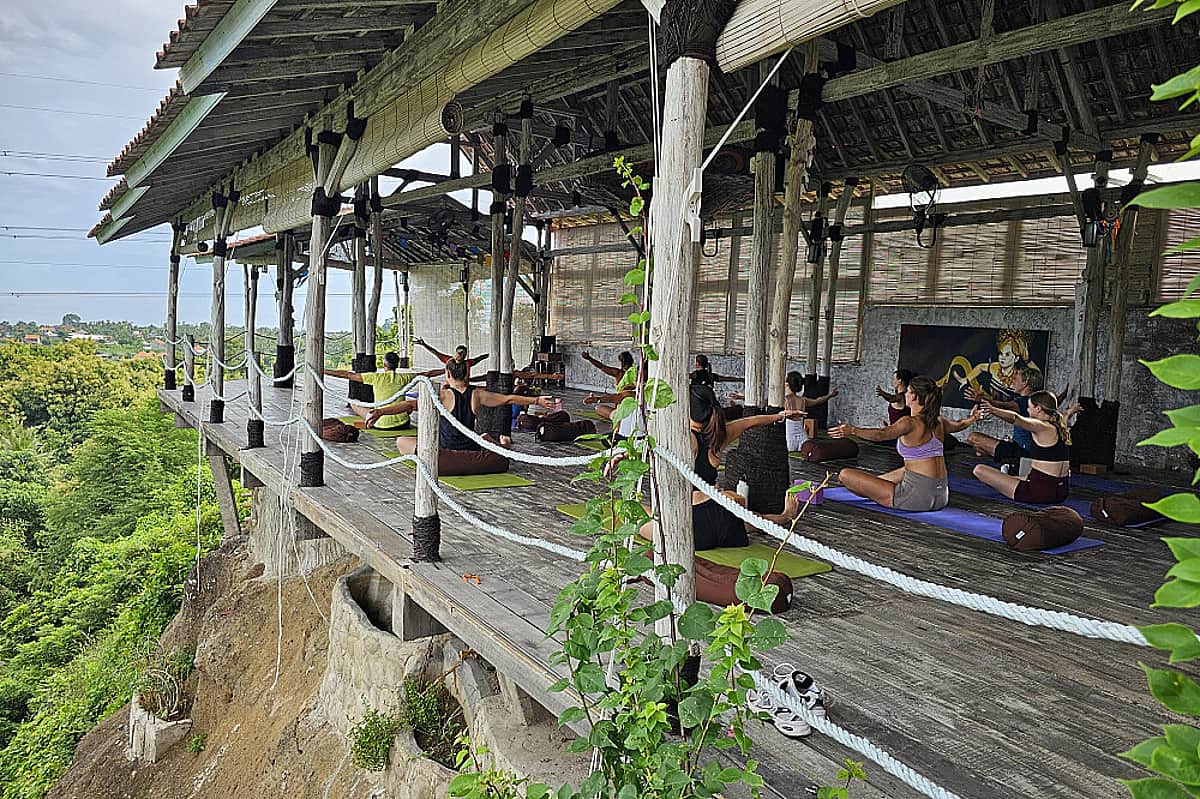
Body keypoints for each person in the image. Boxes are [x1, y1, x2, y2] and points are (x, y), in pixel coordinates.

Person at [636, 385, 805, 550]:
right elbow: (749, 422)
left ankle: (783, 516)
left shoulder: (684, 439)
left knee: (633, 511)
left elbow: (650, 448)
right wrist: (781, 415)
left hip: (690, 527)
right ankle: (785, 516)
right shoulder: (721, 434)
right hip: (723, 522)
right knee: (754, 520)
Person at [828, 376, 979, 512]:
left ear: (914, 396)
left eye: (907, 391)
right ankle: (874, 483)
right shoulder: (939, 421)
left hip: (915, 498)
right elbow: (960, 424)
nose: (905, 394)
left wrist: (853, 430)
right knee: (905, 470)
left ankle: (870, 486)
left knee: (845, 475)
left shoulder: (910, 422)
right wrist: (974, 418)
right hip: (941, 497)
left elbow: (881, 434)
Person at [370, 359, 555, 453]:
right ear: (466, 374)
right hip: (470, 448)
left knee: (401, 442)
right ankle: (499, 447)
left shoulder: (442, 395)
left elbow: (409, 405)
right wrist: (537, 401)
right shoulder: (477, 394)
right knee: (484, 437)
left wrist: (380, 411)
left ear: (448, 375)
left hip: (445, 451)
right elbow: (508, 399)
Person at [971, 392, 1071, 503]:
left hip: (1040, 493)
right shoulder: (1060, 427)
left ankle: (1007, 474)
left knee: (979, 470)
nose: (1027, 410)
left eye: (1029, 407)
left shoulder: (1042, 427)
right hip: (1061, 492)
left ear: (1038, 409)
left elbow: (1015, 418)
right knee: (1013, 478)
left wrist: (992, 410)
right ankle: (1008, 475)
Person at [964, 362, 1044, 469]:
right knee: (979, 450)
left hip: (1021, 452)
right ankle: (1005, 461)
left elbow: (1004, 406)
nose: (1013, 381)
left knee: (973, 437)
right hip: (1025, 449)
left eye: (1016, 379)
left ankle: (1009, 463)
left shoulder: (1025, 402)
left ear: (1025, 383)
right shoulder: (1039, 401)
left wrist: (983, 400)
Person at [324, 352, 419, 430]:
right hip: (403, 424)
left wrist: (324, 371)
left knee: (354, 404)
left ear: (384, 364)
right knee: (408, 405)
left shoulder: (376, 377)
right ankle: (398, 418)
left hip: (380, 424)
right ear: (397, 365)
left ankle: (371, 420)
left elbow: (347, 375)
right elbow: (425, 374)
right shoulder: (405, 377)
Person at [784, 371, 837, 451]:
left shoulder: (784, 400)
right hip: (803, 439)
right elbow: (817, 401)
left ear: (787, 384)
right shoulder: (802, 400)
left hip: (790, 440)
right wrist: (830, 395)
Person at [414, 337, 488, 377]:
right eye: (458, 353)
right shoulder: (449, 361)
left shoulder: (467, 363)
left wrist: (488, 355)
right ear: (455, 353)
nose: (460, 355)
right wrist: (424, 344)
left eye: (462, 353)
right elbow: (435, 352)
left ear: (465, 355)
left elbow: (479, 358)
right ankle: (416, 376)